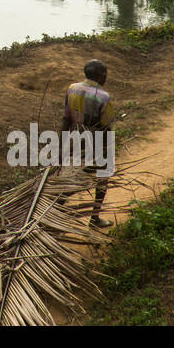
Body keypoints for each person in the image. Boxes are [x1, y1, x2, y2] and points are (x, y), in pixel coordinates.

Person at [62, 59, 115, 228]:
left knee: (71, 176)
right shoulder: (103, 97)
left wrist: (62, 143)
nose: (106, 77)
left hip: (75, 138)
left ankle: (53, 210)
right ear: (100, 76)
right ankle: (94, 217)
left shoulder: (72, 88)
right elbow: (106, 124)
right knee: (102, 179)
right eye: (105, 74)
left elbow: (66, 118)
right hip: (97, 139)